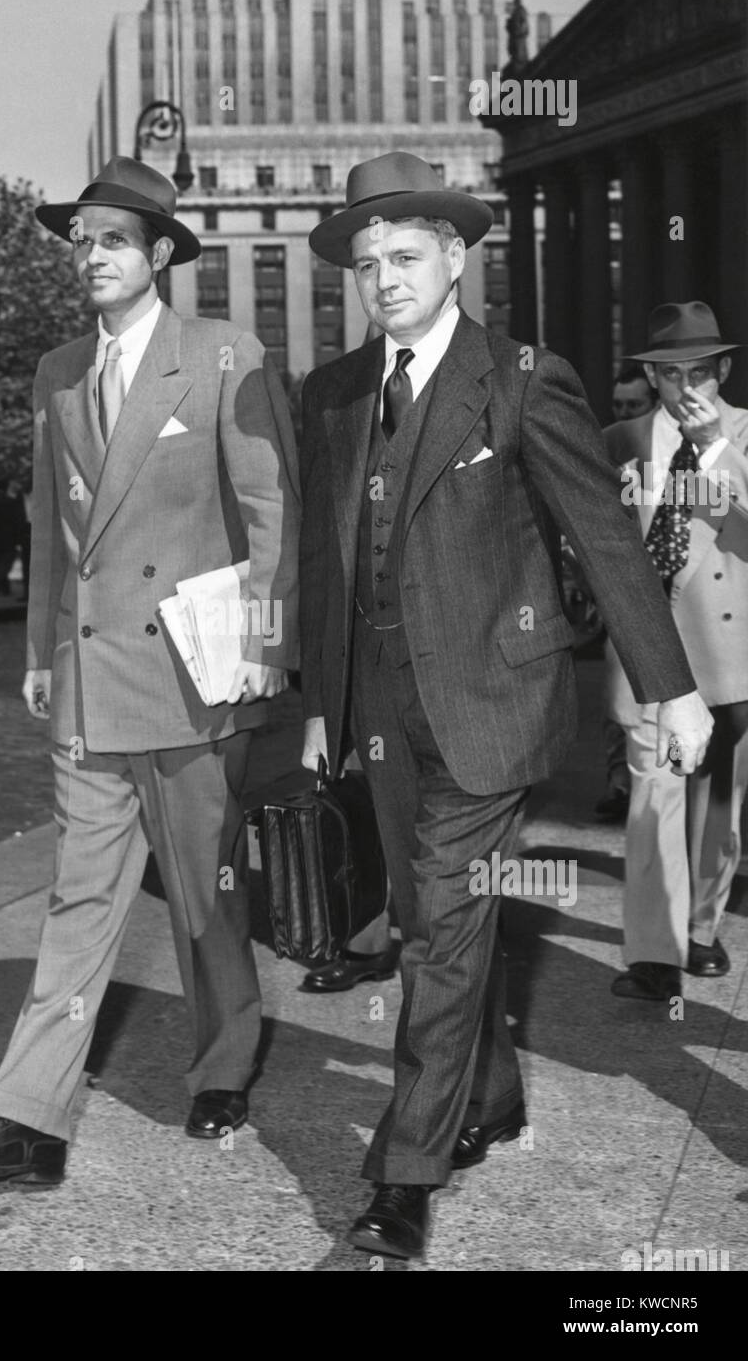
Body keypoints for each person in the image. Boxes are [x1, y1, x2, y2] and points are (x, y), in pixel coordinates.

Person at [298, 151, 713, 1260]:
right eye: (364, 261)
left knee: (434, 934)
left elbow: (603, 537)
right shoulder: (332, 395)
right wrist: (315, 702)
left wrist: (669, 686)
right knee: (446, 923)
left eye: (403, 256)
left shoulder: (524, 378)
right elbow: (319, 558)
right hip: (377, 712)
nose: (382, 278)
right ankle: (488, 1096)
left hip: (489, 704)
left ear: (452, 256)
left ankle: (406, 1171)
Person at [0, 155, 299, 1184]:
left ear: (161, 253)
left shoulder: (224, 353)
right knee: (79, 900)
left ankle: (224, 1058)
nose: (90, 256)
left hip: (190, 673)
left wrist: (263, 646)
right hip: (89, 680)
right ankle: (26, 1122)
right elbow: (53, 525)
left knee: (204, 891)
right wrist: (44, 645)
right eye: (80, 239)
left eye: (112, 239)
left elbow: (268, 513)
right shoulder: (55, 372)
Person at [604, 302, 748, 999]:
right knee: (652, 796)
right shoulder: (620, 440)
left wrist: (719, 449)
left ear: (723, 370)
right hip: (649, 647)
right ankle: (655, 956)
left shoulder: (746, 435)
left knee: (719, 808)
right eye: (669, 374)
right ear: (651, 377)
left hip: (729, 650)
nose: (686, 388)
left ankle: (701, 926)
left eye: (700, 372)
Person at [594, 362, 659, 820]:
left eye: (633, 404)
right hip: (619, 586)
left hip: (673, 588)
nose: (623, 412)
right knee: (620, 694)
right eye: (618, 404)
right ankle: (621, 784)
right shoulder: (610, 440)